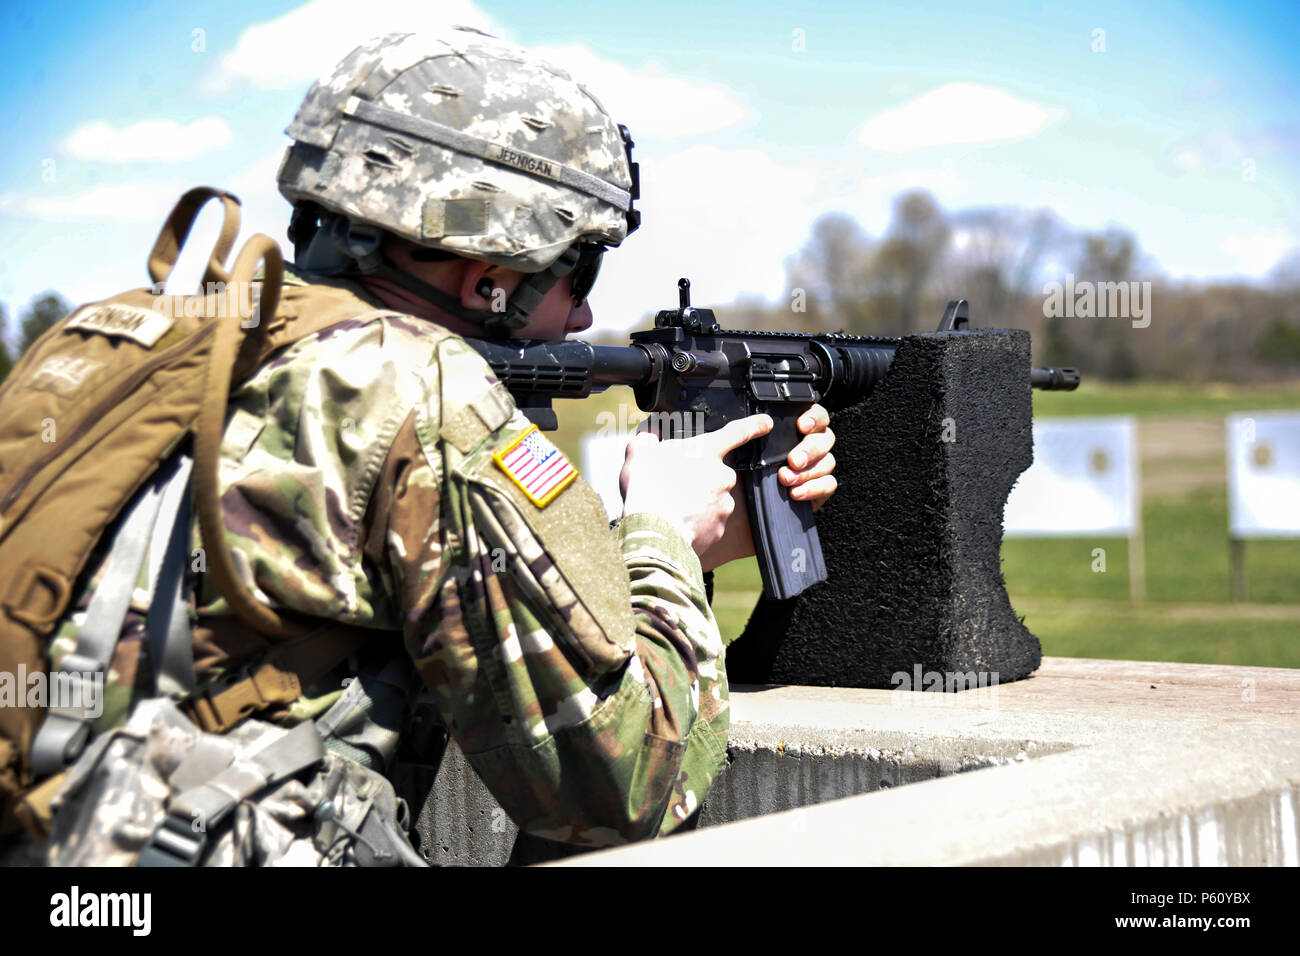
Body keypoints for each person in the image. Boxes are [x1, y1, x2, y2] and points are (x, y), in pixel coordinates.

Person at [30, 26, 840, 855]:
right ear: (488, 275)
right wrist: (664, 537)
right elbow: (617, 782)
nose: (588, 316)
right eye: (579, 271)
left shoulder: (129, 335)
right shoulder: (418, 384)